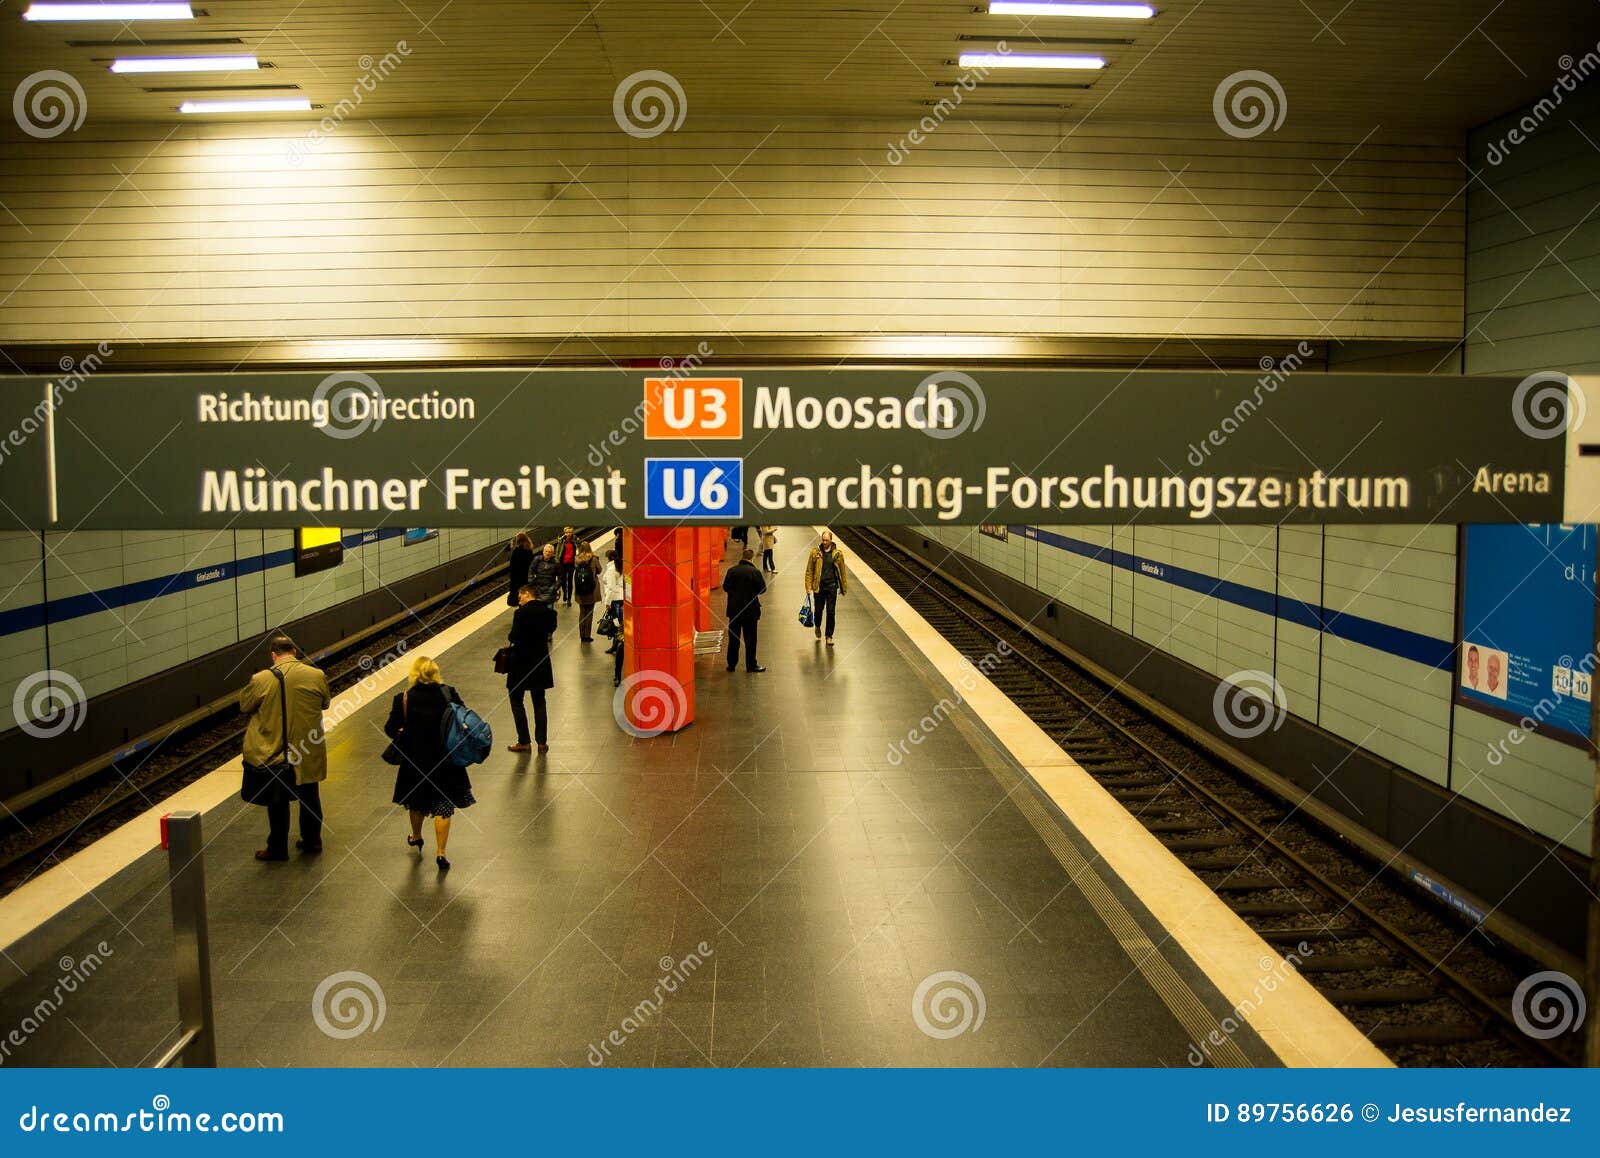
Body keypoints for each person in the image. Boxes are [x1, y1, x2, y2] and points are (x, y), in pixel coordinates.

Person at [240, 634, 331, 861]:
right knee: (310, 796)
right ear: (295, 652)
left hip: (276, 750)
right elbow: (325, 703)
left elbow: (245, 705)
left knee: (277, 801)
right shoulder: (316, 675)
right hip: (308, 747)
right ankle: (312, 840)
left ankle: (277, 849)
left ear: (273, 655)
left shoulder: (261, 679)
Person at [385, 655, 476, 871]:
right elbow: (464, 718)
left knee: (416, 803)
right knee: (443, 807)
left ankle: (416, 836)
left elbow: (390, 728)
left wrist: (402, 731)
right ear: (435, 673)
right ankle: (441, 853)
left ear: (414, 675)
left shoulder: (403, 698)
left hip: (415, 761)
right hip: (445, 759)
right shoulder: (449, 694)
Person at [506, 584, 558, 752]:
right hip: (540, 662)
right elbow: (550, 631)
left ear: (527, 594)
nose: (518, 600)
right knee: (539, 702)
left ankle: (524, 741)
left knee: (516, 700)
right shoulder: (549, 613)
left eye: (520, 596)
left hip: (520, 662)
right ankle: (542, 743)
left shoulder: (520, 613)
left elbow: (514, 636)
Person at [722, 548, 767, 673]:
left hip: (734, 612)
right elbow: (763, 589)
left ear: (742, 557)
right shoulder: (754, 572)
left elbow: (725, 587)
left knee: (733, 639)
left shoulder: (732, 571)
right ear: (751, 559)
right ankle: (751, 665)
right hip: (750, 612)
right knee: (751, 639)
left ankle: (731, 665)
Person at [803, 530, 849, 647]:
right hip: (819, 587)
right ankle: (817, 625)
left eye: (826, 540)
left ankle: (829, 636)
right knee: (818, 610)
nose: (824, 542)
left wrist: (844, 587)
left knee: (831, 612)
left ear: (831, 540)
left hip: (832, 586)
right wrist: (808, 586)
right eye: (823, 539)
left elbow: (842, 571)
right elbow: (809, 571)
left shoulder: (838, 554)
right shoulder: (815, 552)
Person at [599, 548, 625, 657]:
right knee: (621, 624)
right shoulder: (623, 566)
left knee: (616, 624)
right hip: (623, 599)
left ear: (608, 558)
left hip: (614, 600)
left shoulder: (610, 570)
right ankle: (617, 646)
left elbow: (610, 588)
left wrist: (607, 602)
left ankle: (617, 647)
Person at [574, 539, 600, 643]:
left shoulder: (576, 559)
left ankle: (581, 635)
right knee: (589, 613)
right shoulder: (594, 559)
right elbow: (600, 570)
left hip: (580, 590)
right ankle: (587, 636)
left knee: (582, 613)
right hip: (591, 590)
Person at [507, 531, 534, 607]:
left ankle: (522, 611)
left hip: (517, 579)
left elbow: (512, 566)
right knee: (526, 597)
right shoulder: (529, 550)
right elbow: (532, 564)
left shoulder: (516, 551)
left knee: (520, 598)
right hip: (526, 578)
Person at [531, 540, 561, 605]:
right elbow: (531, 571)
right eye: (546, 551)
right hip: (538, 589)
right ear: (543, 552)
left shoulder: (556, 563)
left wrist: (555, 587)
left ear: (552, 553)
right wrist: (532, 582)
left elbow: (561, 577)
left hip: (550, 591)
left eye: (549, 552)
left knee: (549, 611)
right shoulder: (537, 560)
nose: (547, 553)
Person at [557, 527, 578, 605]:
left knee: (570, 581)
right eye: (566, 532)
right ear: (564, 533)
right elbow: (558, 550)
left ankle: (569, 599)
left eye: (570, 532)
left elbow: (579, 546)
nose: (568, 534)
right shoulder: (562, 541)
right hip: (562, 564)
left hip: (571, 564)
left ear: (572, 533)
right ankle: (565, 594)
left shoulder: (574, 540)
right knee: (563, 581)